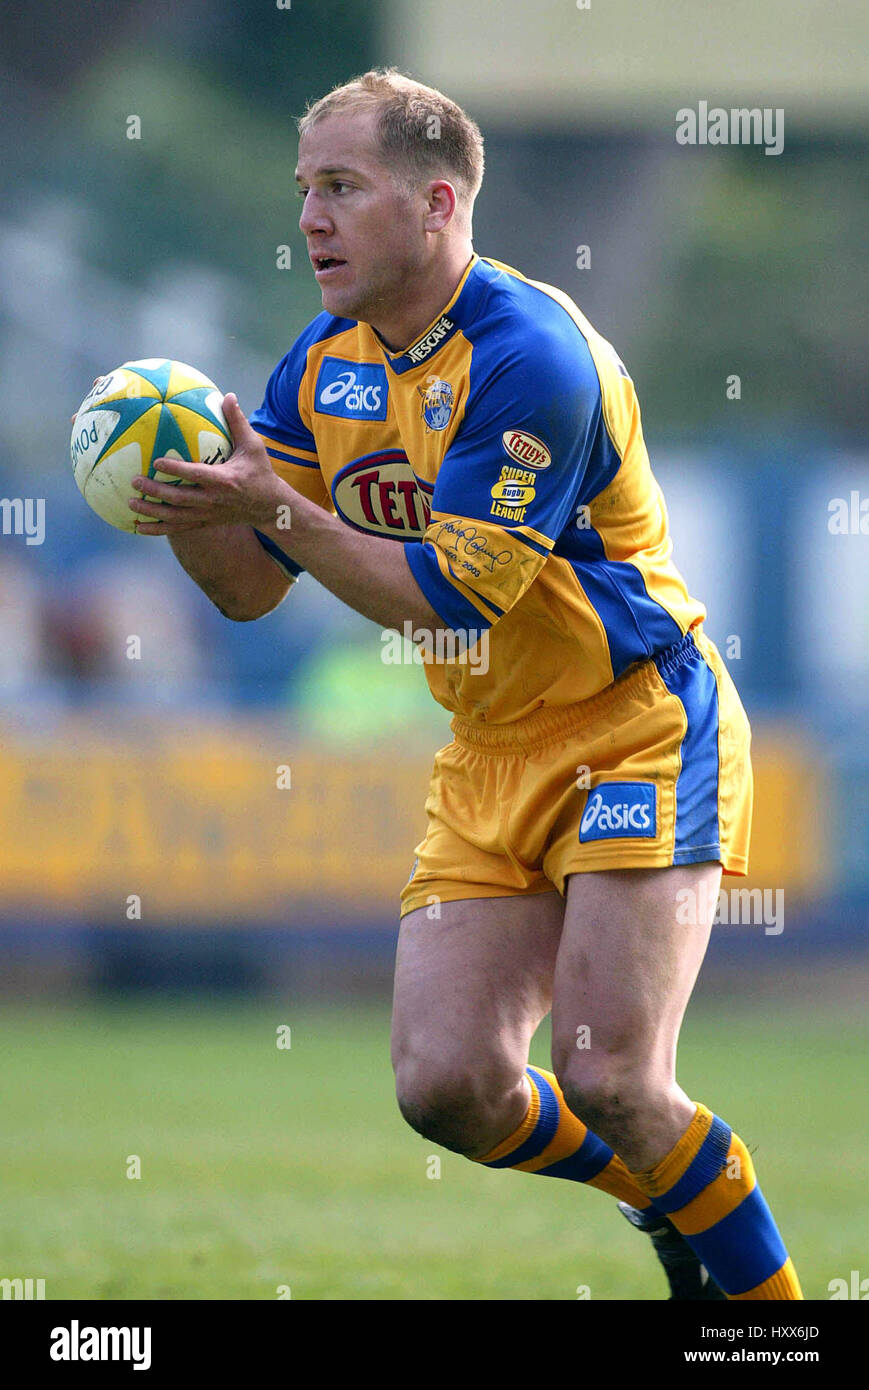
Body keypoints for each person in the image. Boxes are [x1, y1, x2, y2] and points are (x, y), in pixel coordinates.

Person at [129, 68, 802, 1301]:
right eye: (304, 189)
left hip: (634, 722)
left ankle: (771, 1324)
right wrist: (179, 501)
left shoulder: (532, 355)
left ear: (438, 202)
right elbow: (248, 590)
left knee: (610, 1076)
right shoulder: (321, 365)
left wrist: (276, 507)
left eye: (342, 187)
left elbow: (452, 598)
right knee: (446, 1085)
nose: (309, 219)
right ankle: (668, 1192)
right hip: (491, 746)